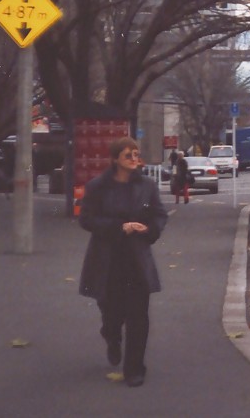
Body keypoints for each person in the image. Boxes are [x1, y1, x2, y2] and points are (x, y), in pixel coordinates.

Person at [78, 137, 168, 388]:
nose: (134, 159)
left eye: (136, 154)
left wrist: (148, 228)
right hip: (107, 258)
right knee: (112, 311)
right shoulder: (98, 187)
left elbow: (159, 214)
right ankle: (112, 335)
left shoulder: (147, 185)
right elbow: (86, 219)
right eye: (128, 155)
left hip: (137, 259)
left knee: (139, 315)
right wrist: (119, 227)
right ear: (116, 158)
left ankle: (134, 369)